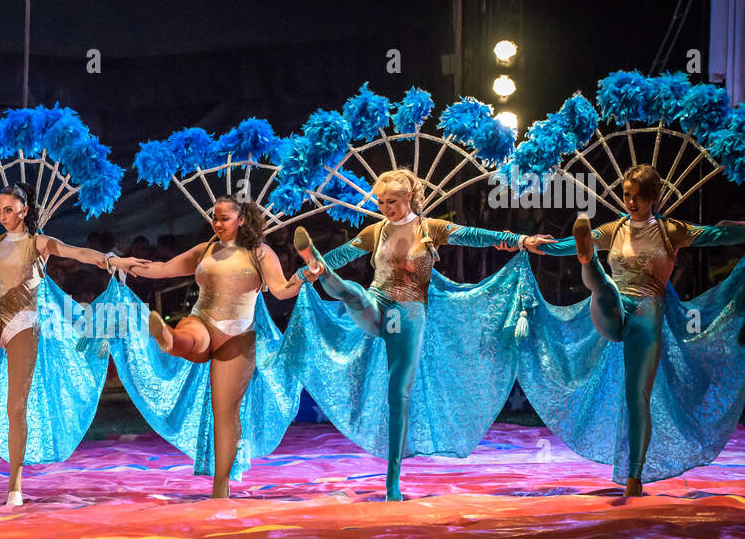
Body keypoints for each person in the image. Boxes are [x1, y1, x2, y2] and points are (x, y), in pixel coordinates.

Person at [297, 169, 554, 501]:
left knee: (397, 394)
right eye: (380, 202)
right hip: (379, 305)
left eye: (392, 201)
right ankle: (317, 265)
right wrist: (305, 271)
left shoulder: (429, 229)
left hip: (407, 316)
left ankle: (392, 481)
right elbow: (345, 253)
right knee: (355, 294)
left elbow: (474, 235)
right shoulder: (376, 231)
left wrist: (520, 240)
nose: (385, 208)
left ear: (409, 198)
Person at [0, 182, 146, 506]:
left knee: (16, 407)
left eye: (8, 209)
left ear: (24, 211)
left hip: (24, 324)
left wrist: (112, 260)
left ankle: (15, 486)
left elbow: (77, 253)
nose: (2, 215)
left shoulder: (38, 242)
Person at [537, 164, 745, 496]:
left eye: (638, 197)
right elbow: (560, 244)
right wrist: (535, 244)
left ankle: (634, 476)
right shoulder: (614, 229)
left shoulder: (669, 231)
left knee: (638, 396)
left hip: (647, 318)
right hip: (613, 309)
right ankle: (588, 259)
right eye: (626, 195)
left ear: (652, 198)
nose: (630, 202)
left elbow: (715, 235)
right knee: (603, 288)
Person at [127, 194, 305, 498]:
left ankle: (220, 486)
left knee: (225, 412)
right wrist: (125, 263)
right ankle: (169, 338)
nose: (217, 223)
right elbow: (162, 269)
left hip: (239, 336)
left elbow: (281, 290)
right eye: (215, 217)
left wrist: (303, 275)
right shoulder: (205, 250)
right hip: (204, 320)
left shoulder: (260, 253)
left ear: (242, 219)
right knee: (192, 337)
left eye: (224, 218)